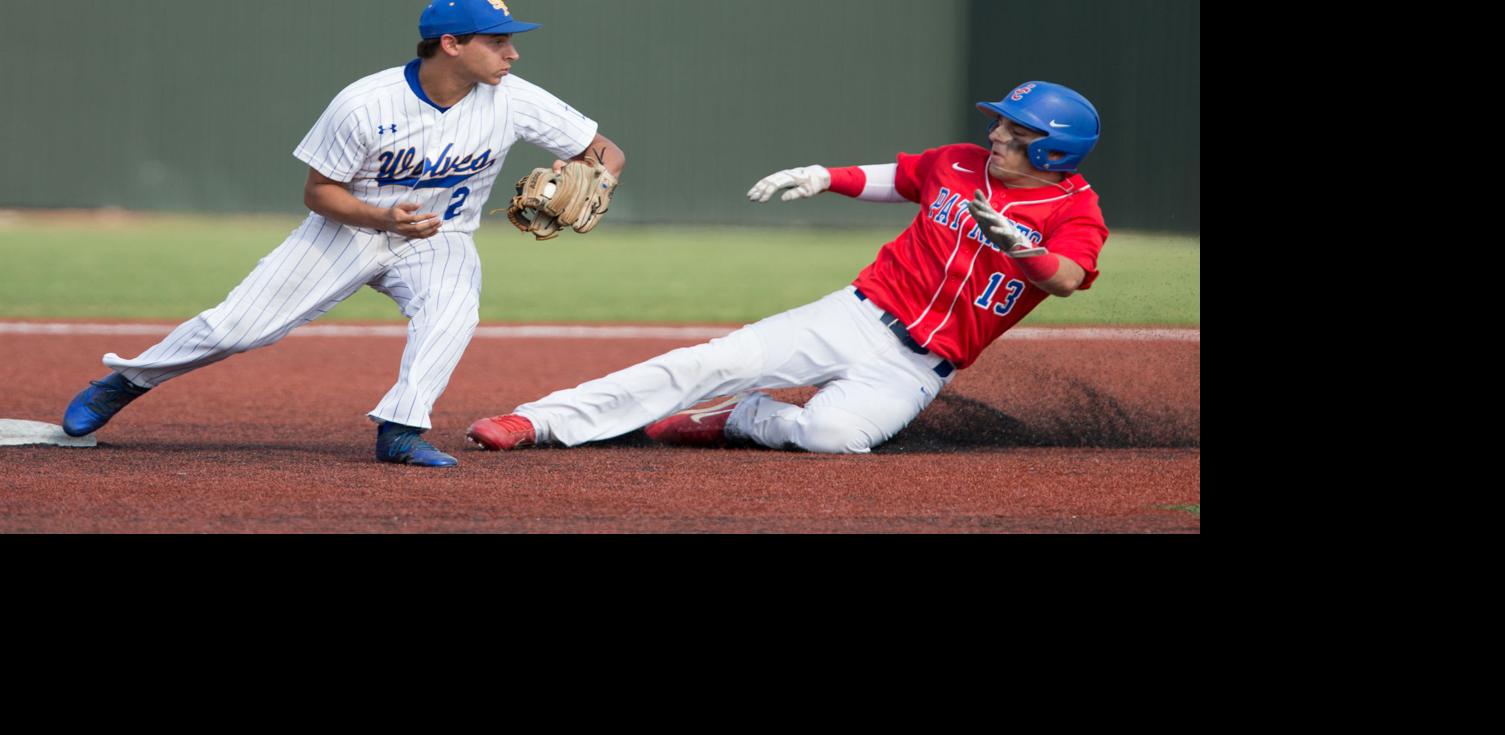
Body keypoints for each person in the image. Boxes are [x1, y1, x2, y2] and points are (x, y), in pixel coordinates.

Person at [61, 0, 625, 467]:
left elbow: (605, 151)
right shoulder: (365, 103)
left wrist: (597, 177)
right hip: (347, 229)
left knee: (452, 310)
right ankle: (127, 381)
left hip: (441, 237)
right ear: (451, 44)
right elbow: (318, 193)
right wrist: (384, 218)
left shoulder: (514, 97)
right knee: (237, 328)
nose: (512, 53)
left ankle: (401, 430)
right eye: (497, 41)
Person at [465, 80, 1107, 456]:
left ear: (1053, 151)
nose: (997, 135)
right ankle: (537, 420)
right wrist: (825, 176)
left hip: (919, 366)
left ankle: (741, 417)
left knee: (832, 436)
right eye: (1001, 123)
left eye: (1017, 132)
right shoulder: (960, 162)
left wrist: (1024, 250)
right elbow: (902, 178)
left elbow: (1068, 279)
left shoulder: (1076, 211)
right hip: (857, 316)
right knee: (708, 362)